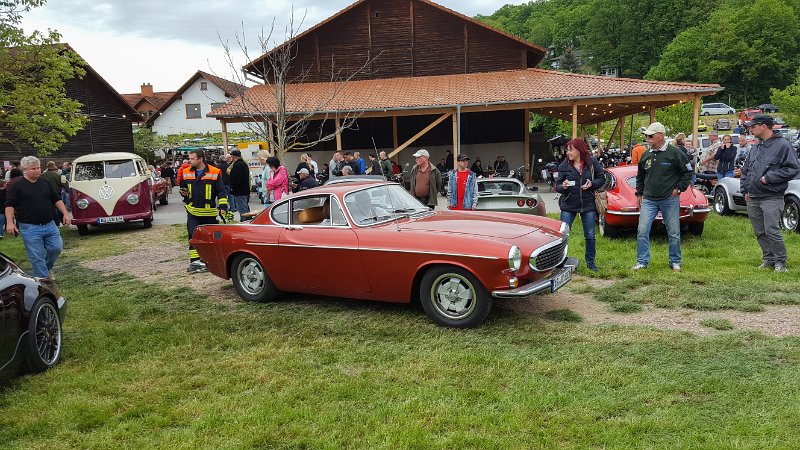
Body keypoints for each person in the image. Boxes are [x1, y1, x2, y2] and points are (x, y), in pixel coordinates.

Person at [741, 114, 800, 272]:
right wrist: (745, 189)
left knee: (772, 230)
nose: (750, 129)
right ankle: (768, 259)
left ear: (764, 126)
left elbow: (793, 168)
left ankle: (780, 262)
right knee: (759, 231)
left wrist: (769, 178)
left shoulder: (783, 145)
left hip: (772, 196)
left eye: (753, 126)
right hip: (753, 196)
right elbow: (746, 170)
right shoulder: (755, 147)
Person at [633, 122, 693, 272]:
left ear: (661, 135)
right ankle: (642, 262)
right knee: (642, 230)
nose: (647, 138)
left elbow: (687, 172)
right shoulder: (646, 154)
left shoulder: (675, 152)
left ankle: (675, 261)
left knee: (673, 231)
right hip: (648, 199)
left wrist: (679, 189)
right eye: (646, 135)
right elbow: (640, 176)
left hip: (669, 199)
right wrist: (639, 193)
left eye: (650, 135)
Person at [4, 156, 70, 282]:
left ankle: (45, 269)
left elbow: (56, 199)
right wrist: (9, 222)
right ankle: (43, 281)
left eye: (38, 168)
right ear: (25, 170)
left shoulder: (45, 182)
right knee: (36, 256)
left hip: (49, 224)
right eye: (33, 168)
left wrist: (66, 213)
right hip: (29, 227)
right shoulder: (17, 185)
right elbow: (9, 205)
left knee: (56, 247)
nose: (37, 171)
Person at [555, 139, 605, 272]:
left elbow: (602, 178)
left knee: (590, 235)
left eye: (571, 150)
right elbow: (557, 186)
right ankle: (559, 261)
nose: (568, 152)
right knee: (562, 236)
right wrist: (563, 186)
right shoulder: (563, 166)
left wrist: (592, 184)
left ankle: (591, 263)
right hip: (569, 205)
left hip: (588, 204)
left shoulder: (592, 162)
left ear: (579, 150)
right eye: (567, 150)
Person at [179, 150, 228, 274]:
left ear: (200, 159)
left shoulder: (214, 172)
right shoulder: (186, 172)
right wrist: (183, 192)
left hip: (209, 213)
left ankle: (211, 261)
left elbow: (221, 192)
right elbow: (183, 188)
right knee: (193, 236)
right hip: (193, 211)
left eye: (191, 159)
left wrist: (222, 206)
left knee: (211, 238)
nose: (189, 161)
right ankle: (195, 262)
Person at [226, 150, 251, 221]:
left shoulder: (237, 165)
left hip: (239, 192)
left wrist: (232, 187)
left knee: (242, 210)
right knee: (245, 207)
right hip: (245, 190)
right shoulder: (243, 164)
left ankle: (244, 223)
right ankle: (246, 220)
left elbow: (236, 179)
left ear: (233, 157)